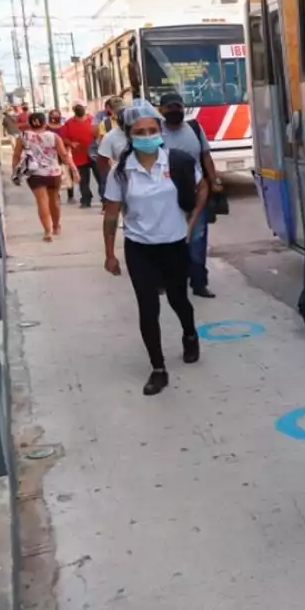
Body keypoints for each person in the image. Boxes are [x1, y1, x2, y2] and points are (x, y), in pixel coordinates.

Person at [101, 99, 207, 396]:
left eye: (152, 130)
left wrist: (192, 221)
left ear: (160, 130)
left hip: (174, 245)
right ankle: (158, 368)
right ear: (129, 135)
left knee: (178, 299)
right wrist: (109, 254)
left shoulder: (178, 162)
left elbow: (203, 187)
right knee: (148, 308)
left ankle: (189, 334)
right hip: (140, 248)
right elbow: (111, 214)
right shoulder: (121, 172)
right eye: (140, 132)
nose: (147, 136)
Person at [158, 91, 221, 299]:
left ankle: (199, 283)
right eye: (170, 107)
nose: (175, 111)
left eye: (178, 107)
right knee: (167, 241)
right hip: (165, 195)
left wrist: (214, 180)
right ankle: (167, 281)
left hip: (194, 193)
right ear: (161, 110)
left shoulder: (194, 128)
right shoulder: (156, 131)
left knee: (197, 239)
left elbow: (206, 156)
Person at [11, 110, 78, 241]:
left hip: (35, 174)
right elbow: (64, 155)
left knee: (42, 202)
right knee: (54, 200)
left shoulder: (23, 137)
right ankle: (56, 226)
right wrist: (74, 170)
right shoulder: (54, 137)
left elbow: (16, 155)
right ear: (45, 123)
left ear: (29, 124)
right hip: (53, 173)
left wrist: (15, 171)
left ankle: (47, 231)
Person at [61, 104, 95, 208]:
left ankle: (105, 201)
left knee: (101, 178)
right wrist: (71, 143)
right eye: (78, 109)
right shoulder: (69, 123)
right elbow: (63, 138)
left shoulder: (92, 119)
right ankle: (85, 199)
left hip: (94, 153)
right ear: (74, 111)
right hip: (79, 155)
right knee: (83, 180)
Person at [92, 97, 124, 203]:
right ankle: (106, 202)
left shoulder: (130, 120)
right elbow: (102, 143)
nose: (119, 111)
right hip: (112, 161)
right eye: (116, 108)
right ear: (110, 109)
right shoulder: (105, 124)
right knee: (107, 183)